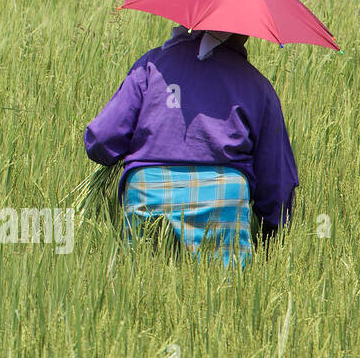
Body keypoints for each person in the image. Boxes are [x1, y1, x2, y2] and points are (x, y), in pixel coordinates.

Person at [83, 26, 297, 265]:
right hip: (222, 201)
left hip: (148, 193)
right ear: (241, 32)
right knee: (220, 292)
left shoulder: (151, 66)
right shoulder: (257, 86)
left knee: (144, 281)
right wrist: (271, 231)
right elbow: (277, 178)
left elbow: (102, 139)